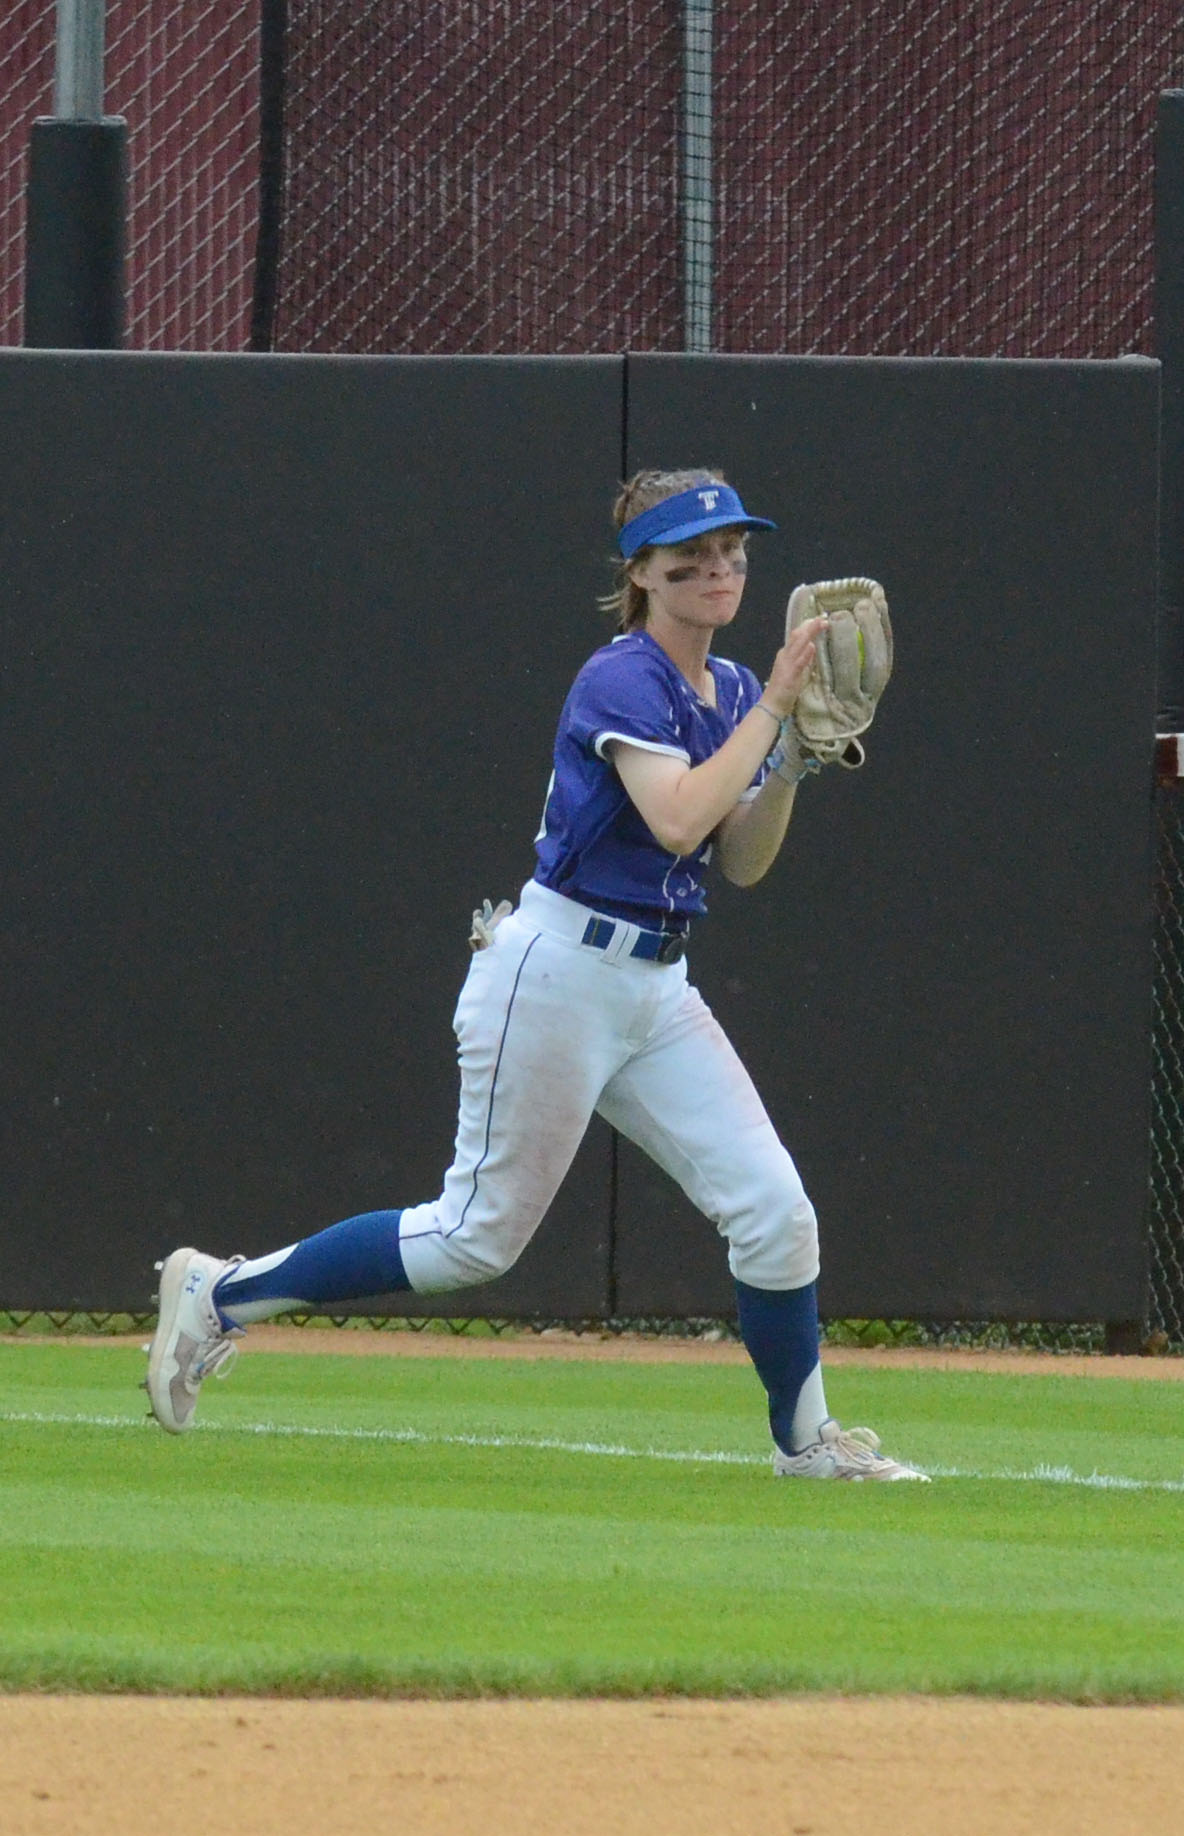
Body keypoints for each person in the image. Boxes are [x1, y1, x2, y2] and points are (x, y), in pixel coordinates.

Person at [145, 467, 928, 1482]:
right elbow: (681, 817)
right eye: (687, 555)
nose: (716, 568)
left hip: (654, 986)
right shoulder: (623, 677)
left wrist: (789, 760)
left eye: (731, 550)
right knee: (473, 1242)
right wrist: (779, 708)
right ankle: (219, 1292)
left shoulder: (730, 692)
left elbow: (738, 858)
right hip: (555, 973)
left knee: (776, 1213)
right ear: (640, 573)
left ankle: (807, 1443)